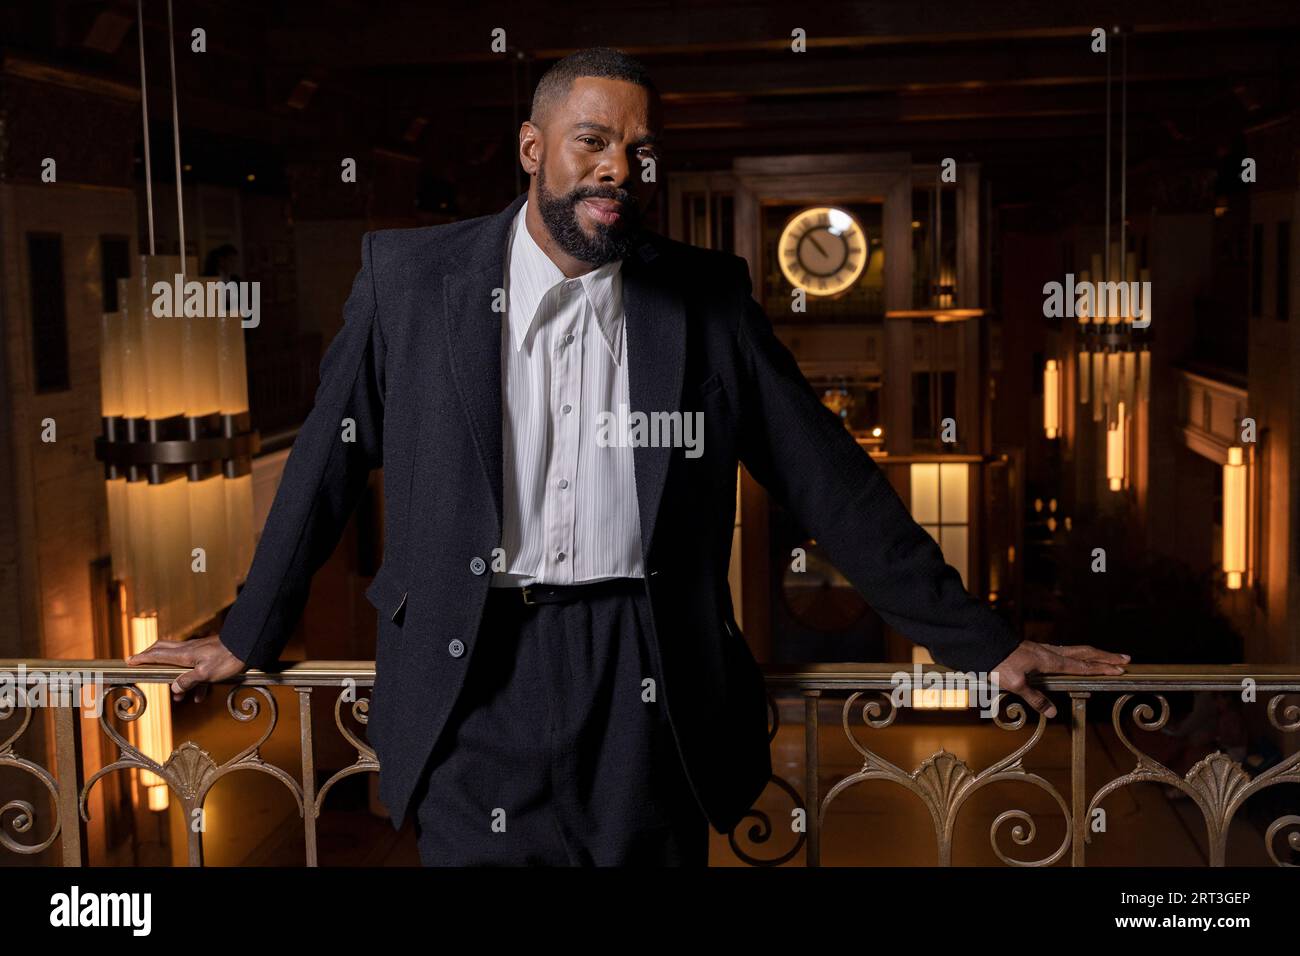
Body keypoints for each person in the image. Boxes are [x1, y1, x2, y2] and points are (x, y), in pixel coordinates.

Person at [126, 47, 1128, 866]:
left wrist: (978, 639)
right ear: (532, 147)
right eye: (592, 141)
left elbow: (830, 479)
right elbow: (325, 465)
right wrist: (245, 628)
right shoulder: (407, 279)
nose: (617, 166)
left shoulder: (707, 298)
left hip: (645, 672)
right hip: (473, 670)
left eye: (638, 151)